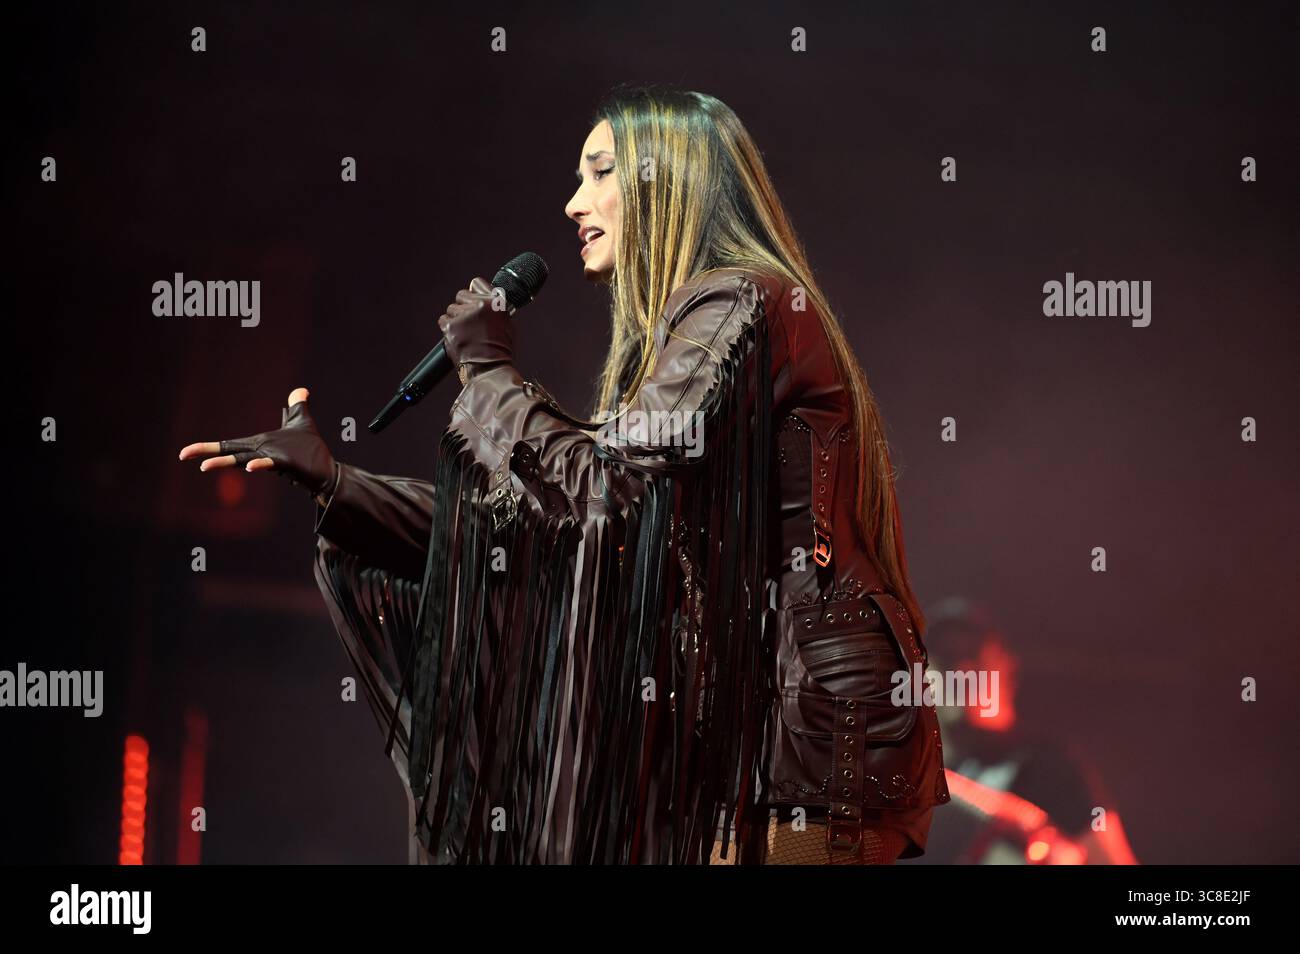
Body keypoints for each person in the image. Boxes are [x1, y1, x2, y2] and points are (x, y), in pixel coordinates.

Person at [179, 86, 949, 864]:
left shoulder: (741, 302)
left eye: (599, 172)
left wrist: (486, 369)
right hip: (757, 735)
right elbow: (539, 521)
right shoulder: (701, 330)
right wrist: (338, 484)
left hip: (814, 730)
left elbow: (603, 493)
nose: (574, 201)